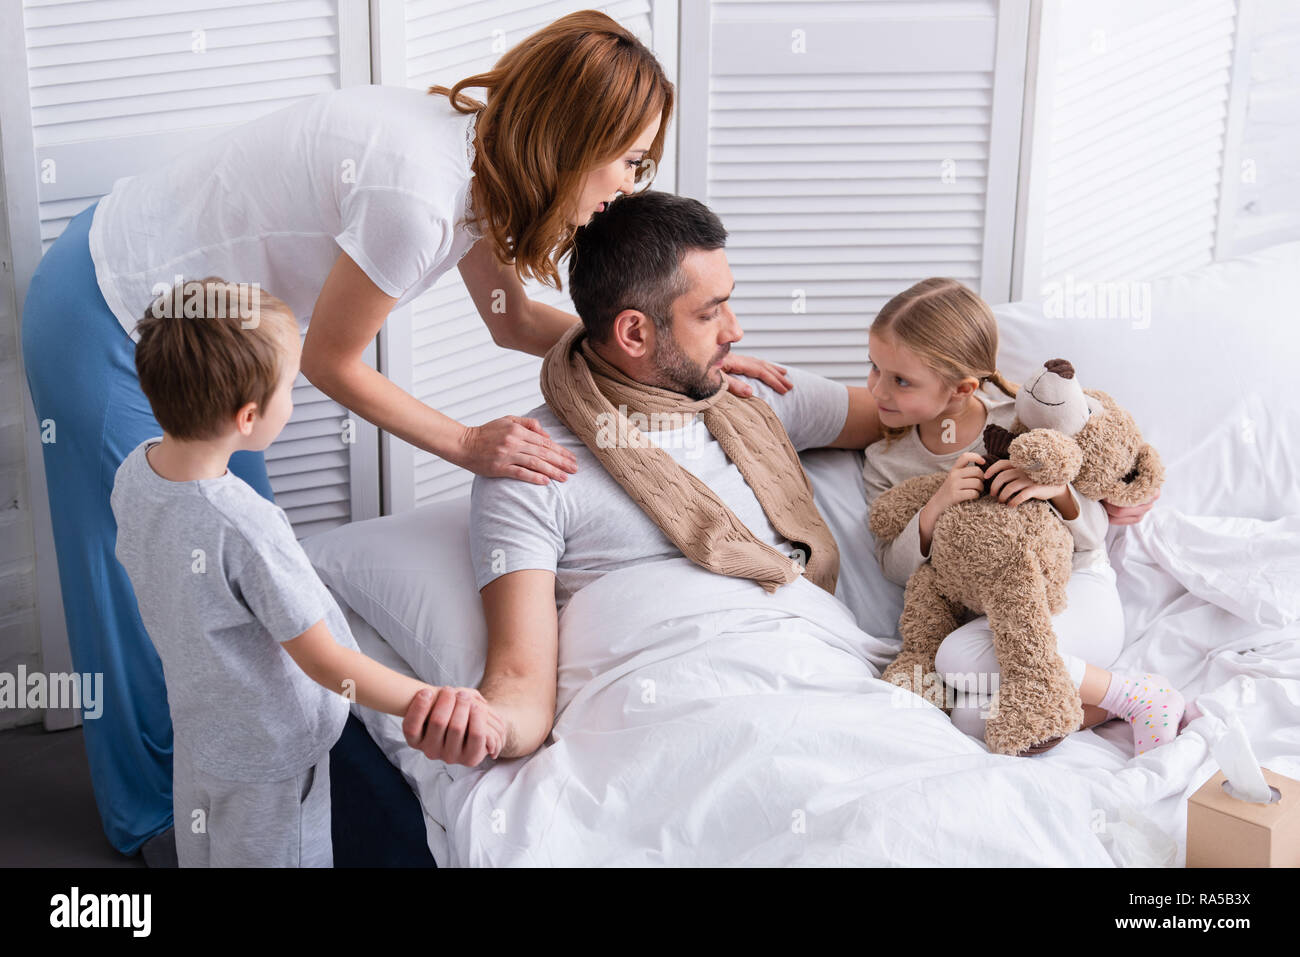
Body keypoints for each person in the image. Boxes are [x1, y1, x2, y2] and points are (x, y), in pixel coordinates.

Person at [20, 11, 790, 857]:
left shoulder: (480, 166)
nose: (633, 187)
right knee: (146, 584)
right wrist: (469, 444)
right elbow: (329, 361)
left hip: (207, 337)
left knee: (237, 580)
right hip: (110, 305)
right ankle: (152, 823)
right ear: (574, 138)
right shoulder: (420, 197)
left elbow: (509, 317)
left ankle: (224, 793)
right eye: (630, 160)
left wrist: (677, 353)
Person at [400, 191, 1164, 765]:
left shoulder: (748, 394)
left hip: (820, 672)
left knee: (952, 724)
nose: (738, 333)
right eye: (713, 313)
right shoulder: (528, 468)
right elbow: (520, 686)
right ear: (634, 332)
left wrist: (1106, 475)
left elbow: (923, 404)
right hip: (677, 708)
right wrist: (480, 727)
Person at [110, 278, 505, 865]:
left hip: (200, 730)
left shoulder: (133, 473)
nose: (293, 402)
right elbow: (326, 662)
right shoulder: (245, 527)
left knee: (204, 847)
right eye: (289, 390)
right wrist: (434, 701)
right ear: (248, 417)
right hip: (272, 757)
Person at [858, 277, 1187, 755]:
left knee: (954, 659)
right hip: (992, 618)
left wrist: (1060, 492)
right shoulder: (886, 462)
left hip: (1073, 594)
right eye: (874, 368)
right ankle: (1101, 705)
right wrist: (935, 506)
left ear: (962, 389)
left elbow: (1095, 537)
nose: (876, 389)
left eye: (900, 380)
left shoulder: (1027, 418)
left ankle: (1136, 694)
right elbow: (893, 568)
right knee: (970, 718)